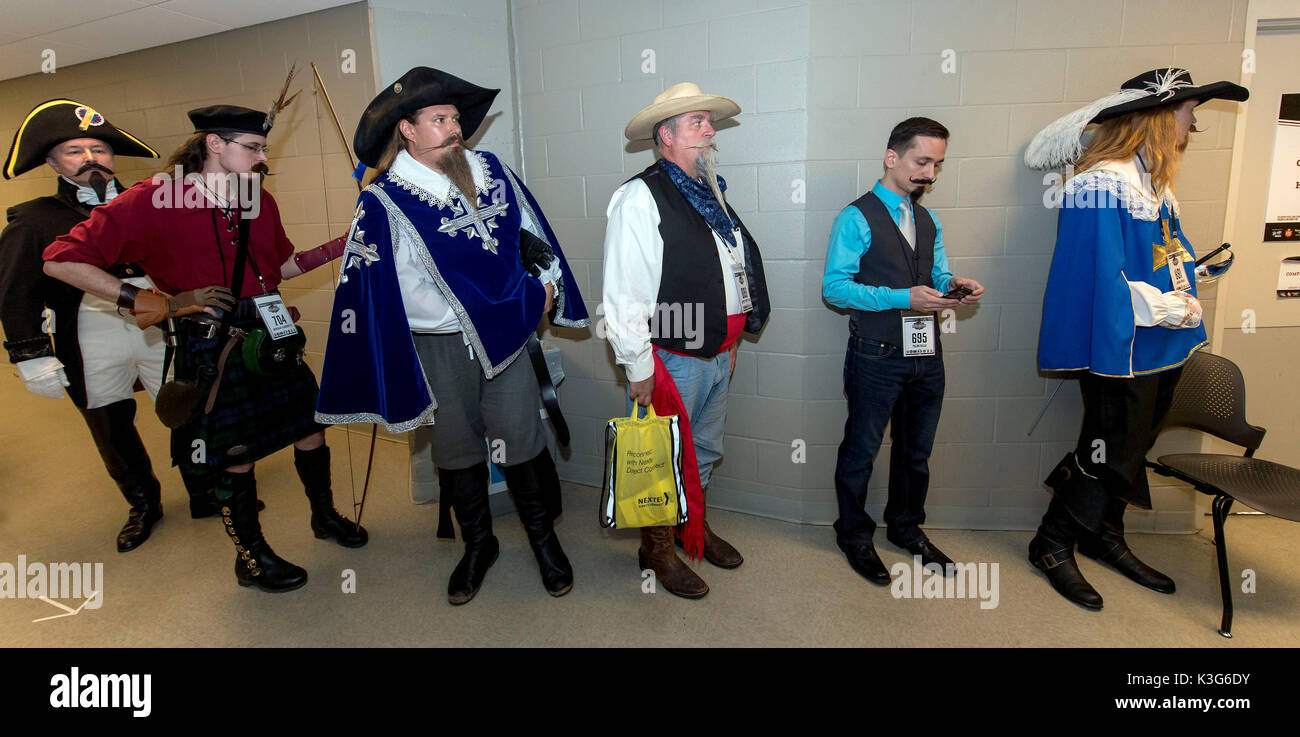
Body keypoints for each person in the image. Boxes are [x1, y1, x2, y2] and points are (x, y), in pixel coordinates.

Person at [43, 95, 363, 593]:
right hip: (216, 342)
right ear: (214, 144)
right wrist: (153, 301)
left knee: (311, 427)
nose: (262, 159)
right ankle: (251, 556)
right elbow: (61, 260)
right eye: (253, 147)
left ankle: (324, 516)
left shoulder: (258, 199)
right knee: (236, 450)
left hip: (271, 335)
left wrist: (343, 244)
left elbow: (275, 270)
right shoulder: (151, 199)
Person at [315, 67, 589, 605]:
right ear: (408, 131)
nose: (454, 128)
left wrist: (546, 287)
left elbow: (535, 236)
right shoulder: (384, 202)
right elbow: (370, 289)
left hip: (507, 335)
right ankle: (479, 545)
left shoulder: (492, 172)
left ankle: (543, 540)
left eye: (455, 118)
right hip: (437, 345)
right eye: (439, 119)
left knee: (520, 438)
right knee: (457, 447)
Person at [1023, 67, 1249, 609]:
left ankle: (1103, 534)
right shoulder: (1099, 184)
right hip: (1121, 345)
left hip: (1162, 343)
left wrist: (1192, 277)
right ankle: (1052, 543)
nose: (1193, 125)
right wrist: (1166, 304)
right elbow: (1102, 276)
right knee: (1109, 450)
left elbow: (1165, 253)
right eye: (1188, 113)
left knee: (1134, 444)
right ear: (1156, 116)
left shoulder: (1154, 182)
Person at [0, 99, 203, 552]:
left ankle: (202, 486)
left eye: (99, 148)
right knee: (110, 422)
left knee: (185, 405)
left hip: (159, 323)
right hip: (89, 331)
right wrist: (31, 353)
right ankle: (143, 503)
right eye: (74, 150)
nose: (91, 158)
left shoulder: (152, 201)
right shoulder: (33, 219)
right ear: (52, 161)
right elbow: (17, 292)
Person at [603, 82, 770, 599]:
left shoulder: (710, 193)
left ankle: (689, 526)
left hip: (718, 352)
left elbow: (729, 275)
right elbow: (624, 290)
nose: (710, 130)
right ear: (666, 136)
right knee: (663, 457)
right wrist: (637, 366)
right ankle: (656, 550)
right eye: (697, 122)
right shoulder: (640, 197)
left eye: (708, 121)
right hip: (672, 358)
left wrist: (734, 339)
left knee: (703, 450)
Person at [822, 117, 985, 585]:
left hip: (926, 354)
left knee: (916, 452)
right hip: (874, 353)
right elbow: (835, 288)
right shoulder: (855, 217)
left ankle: (906, 529)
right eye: (921, 161)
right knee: (862, 449)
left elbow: (935, 275)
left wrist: (953, 285)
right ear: (892, 158)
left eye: (937, 164)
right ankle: (853, 534)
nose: (930, 174)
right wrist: (902, 297)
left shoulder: (926, 217)